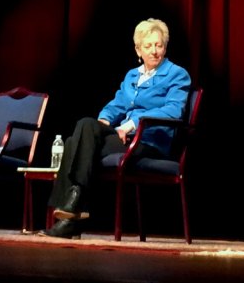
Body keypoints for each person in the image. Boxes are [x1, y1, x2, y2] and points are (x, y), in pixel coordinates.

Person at [44, 18, 191, 239]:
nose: (154, 51)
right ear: (138, 50)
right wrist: (104, 120)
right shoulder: (132, 75)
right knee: (85, 127)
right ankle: (72, 207)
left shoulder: (176, 74)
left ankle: (70, 210)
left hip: (149, 142)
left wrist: (131, 124)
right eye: (148, 46)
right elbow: (117, 104)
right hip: (125, 139)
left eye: (158, 45)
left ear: (165, 47)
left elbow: (173, 110)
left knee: (77, 141)